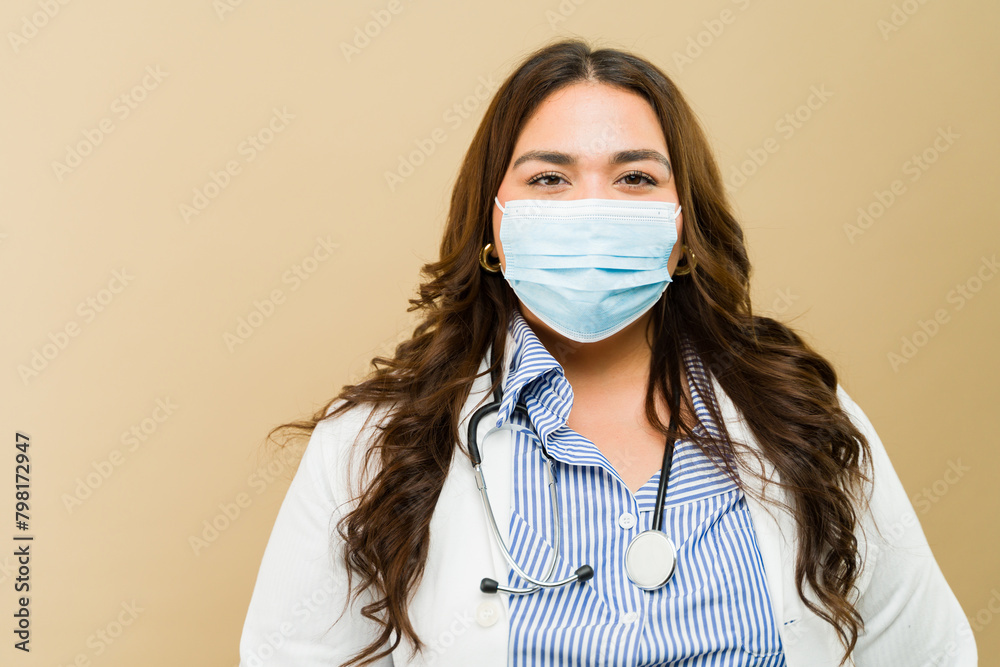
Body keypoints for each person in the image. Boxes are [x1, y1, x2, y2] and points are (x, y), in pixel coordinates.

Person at [238, 39, 976, 667]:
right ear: (492, 226)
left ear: (683, 229)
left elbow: (926, 649)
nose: (591, 209)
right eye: (549, 178)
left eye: (635, 178)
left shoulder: (802, 415)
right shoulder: (372, 445)